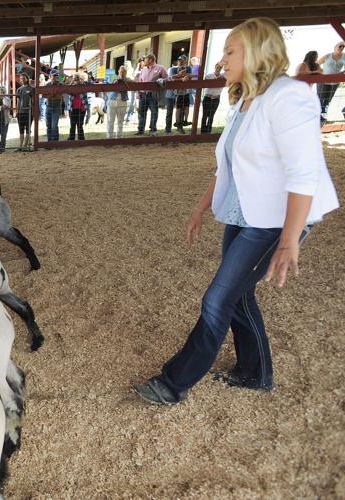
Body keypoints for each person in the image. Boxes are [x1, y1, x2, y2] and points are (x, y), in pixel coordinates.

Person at [133, 18, 339, 405]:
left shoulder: (288, 95)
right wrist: (200, 209)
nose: (222, 60)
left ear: (258, 52)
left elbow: (304, 173)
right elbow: (229, 165)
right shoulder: (247, 99)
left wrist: (290, 240)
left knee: (217, 300)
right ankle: (255, 373)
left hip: (276, 221)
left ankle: (173, 383)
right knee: (239, 296)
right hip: (247, 213)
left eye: (231, 51)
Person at [136, 54, 168, 136]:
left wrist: (162, 80)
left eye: (145, 59)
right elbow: (140, 82)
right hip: (143, 94)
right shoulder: (143, 70)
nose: (143, 61)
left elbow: (167, 78)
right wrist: (138, 93)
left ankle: (153, 130)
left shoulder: (160, 68)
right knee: (141, 112)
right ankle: (141, 130)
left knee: (154, 112)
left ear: (150, 60)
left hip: (153, 94)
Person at [316, 42, 345, 123]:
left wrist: (341, 73)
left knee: (328, 100)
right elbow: (316, 64)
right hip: (323, 81)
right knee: (320, 99)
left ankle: (323, 117)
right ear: (335, 47)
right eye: (340, 46)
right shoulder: (328, 56)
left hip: (335, 82)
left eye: (343, 46)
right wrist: (321, 72)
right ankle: (317, 117)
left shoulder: (344, 56)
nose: (342, 47)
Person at [105, 65, 130, 139]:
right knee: (110, 121)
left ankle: (119, 137)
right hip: (113, 100)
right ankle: (110, 137)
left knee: (120, 121)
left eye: (124, 71)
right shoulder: (113, 78)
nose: (122, 73)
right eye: (121, 71)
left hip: (122, 101)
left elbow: (134, 82)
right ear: (118, 71)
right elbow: (108, 84)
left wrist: (126, 81)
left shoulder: (127, 80)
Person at [201, 63, 225, 133]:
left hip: (216, 98)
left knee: (211, 116)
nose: (218, 69)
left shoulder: (223, 76)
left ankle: (208, 131)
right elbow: (203, 84)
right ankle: (203, 131)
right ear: (215, 67)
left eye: (220, 68)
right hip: (208, 97)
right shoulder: (209, 76)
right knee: (205, 115)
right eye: (217, 67)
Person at [14, 73, 34, 151]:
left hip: (29, 112)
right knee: (21, 129)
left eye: (24, 78)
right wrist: (17, 111)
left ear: (27, 79)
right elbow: (18, 101)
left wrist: (33, 111)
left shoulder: (31, 89)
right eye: (21, 78)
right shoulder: (19, 89)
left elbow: (33, 101)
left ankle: (25, 146)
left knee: (28, 129)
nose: (22, 80)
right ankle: (20, 146)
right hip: (21, 112)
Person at [44, 70, 63, 141]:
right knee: (48, 125)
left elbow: (59, 96)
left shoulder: (60, 84)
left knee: (54, 125)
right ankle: (50, 141)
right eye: (54, 76)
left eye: (56, 76)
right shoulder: (47, 85)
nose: (55, 77)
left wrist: (50, 95)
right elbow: (44, 96)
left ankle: (55, 141)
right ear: (50, 76)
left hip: (56, 107)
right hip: (48, 106)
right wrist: (53, 95)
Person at [67, 73, 87, 141]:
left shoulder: (83, 86)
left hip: (81, 108)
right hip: (72, 108)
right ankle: (71, 138)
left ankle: (81, 138)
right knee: (72, 124)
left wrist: (81, 83)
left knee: (80, 124)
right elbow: (67, 92)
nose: (76, 80)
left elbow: (85, 89)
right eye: (75, 79)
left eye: (77, 79)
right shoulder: (71, 87)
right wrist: (72, 84)